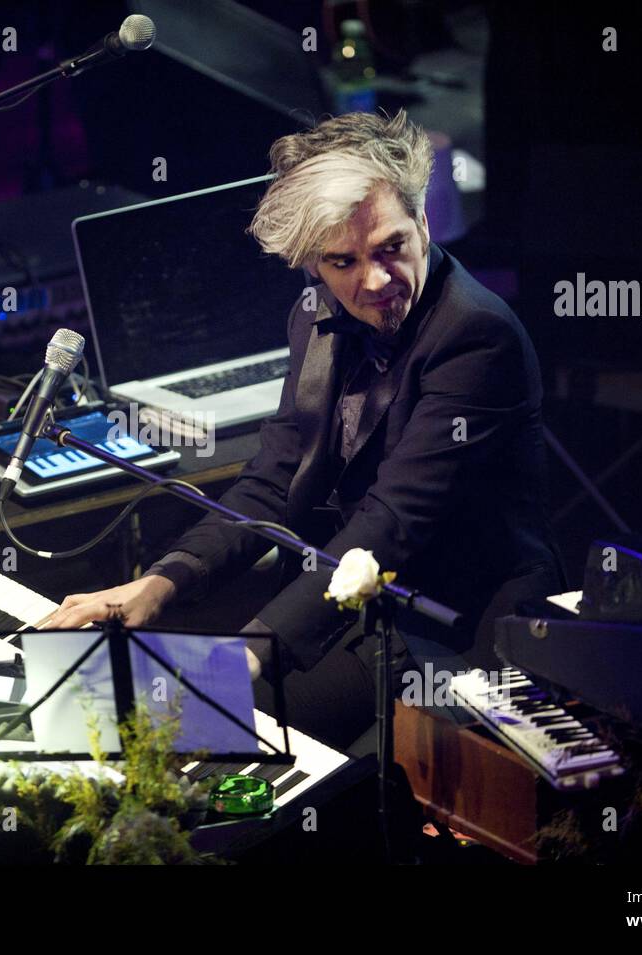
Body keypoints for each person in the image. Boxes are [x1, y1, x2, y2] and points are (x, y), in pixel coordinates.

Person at [42, 110, 565, 755]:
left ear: (424, 224)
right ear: (312, 263)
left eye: (391, 248)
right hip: (351, 610)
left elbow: (392, 524)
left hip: (456, 624)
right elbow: (272, 479)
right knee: (149, 731)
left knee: (338, 789)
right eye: (343, 261)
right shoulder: (314, 314)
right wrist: (161, 583)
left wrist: (254, 649)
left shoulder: (476, 338)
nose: (372, 282)